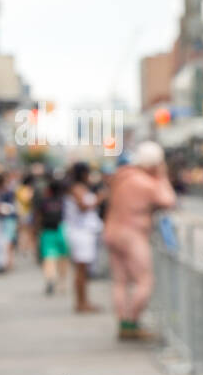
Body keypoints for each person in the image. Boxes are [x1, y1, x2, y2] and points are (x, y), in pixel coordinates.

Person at [104, 141, 176, 340]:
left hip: (112, 231)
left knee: (120, 282)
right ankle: (132, 322)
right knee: (145, 281)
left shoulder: (120, 176)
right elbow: (168, 200)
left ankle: (123, 321)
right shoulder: (145, 182)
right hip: (132, 234)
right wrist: (161, 176)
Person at [63, 161, 103, 313]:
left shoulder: (79, 188)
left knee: (83, 270)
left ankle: (84, 301)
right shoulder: (76, 188)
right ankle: (81, 302)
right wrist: (100, 198)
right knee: (81, 270)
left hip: (84, 232)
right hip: (80, 233)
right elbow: (83, 206)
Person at [37, 175, 68, 295]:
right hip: (62, 230)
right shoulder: (63, 201)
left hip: (47, 231)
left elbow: (38, 217)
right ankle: (62, 282)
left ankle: (50, 278)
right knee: (63, 258)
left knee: (49, 258)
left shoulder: (44, 202)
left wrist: (36, 230)